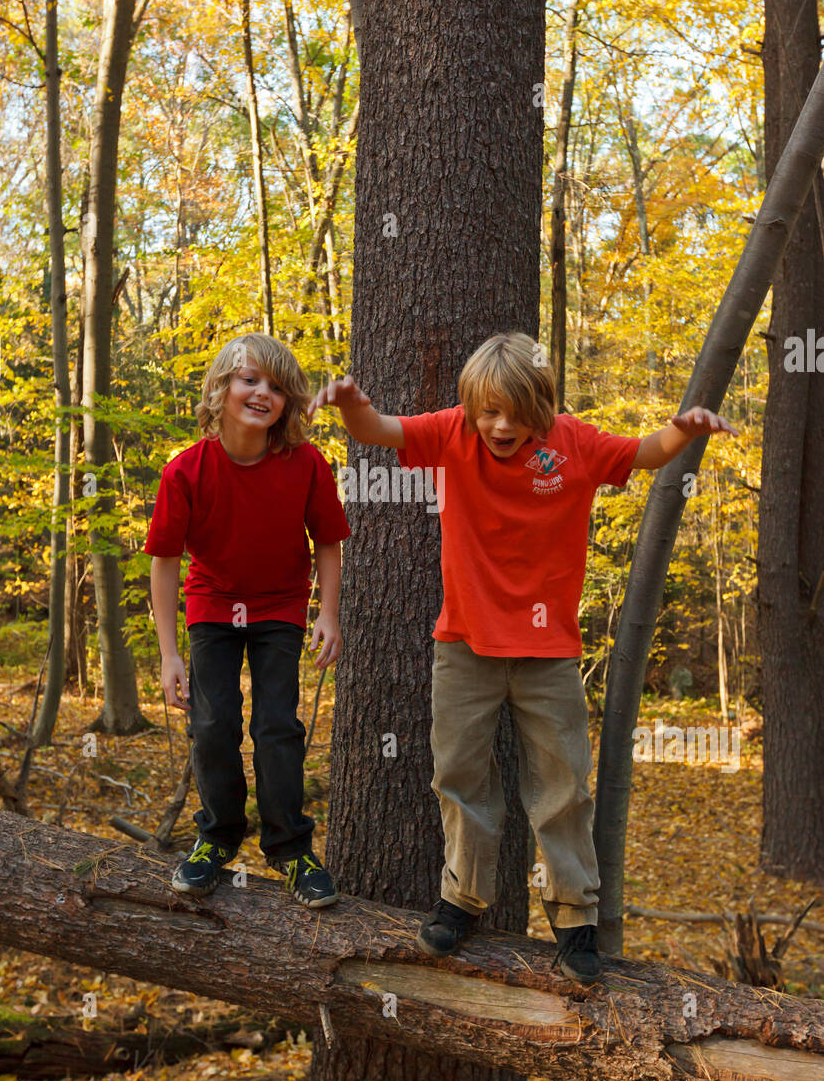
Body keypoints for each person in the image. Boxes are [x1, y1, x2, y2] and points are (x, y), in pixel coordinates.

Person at [308, 331, 737, 981]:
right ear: (471, 407)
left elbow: (645, 454)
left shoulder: (575, 444)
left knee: (562, 787)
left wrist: (684, 430)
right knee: (458, 775)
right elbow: (380, 431)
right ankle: (462, 900)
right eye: (489, 412)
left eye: (516, 413)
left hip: (549, 653)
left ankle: (574, 919)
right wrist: (348, 407)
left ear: (542, 405)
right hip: (463, 645)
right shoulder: (453, 433)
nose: (501, 426)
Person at [145, 333, 350, 906]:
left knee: (277, 729)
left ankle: (291, 848)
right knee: (212, 725)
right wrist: (169, 655)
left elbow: (329, 543)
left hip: (279, 609)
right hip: (212, 607)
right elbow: (164, 566)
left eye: (277, 388)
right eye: (249, 379)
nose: (262, 393)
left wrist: (327, 613)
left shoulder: (306, 464)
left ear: (288, 403)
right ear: (221, 387)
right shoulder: (185, 471)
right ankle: (216, 839)